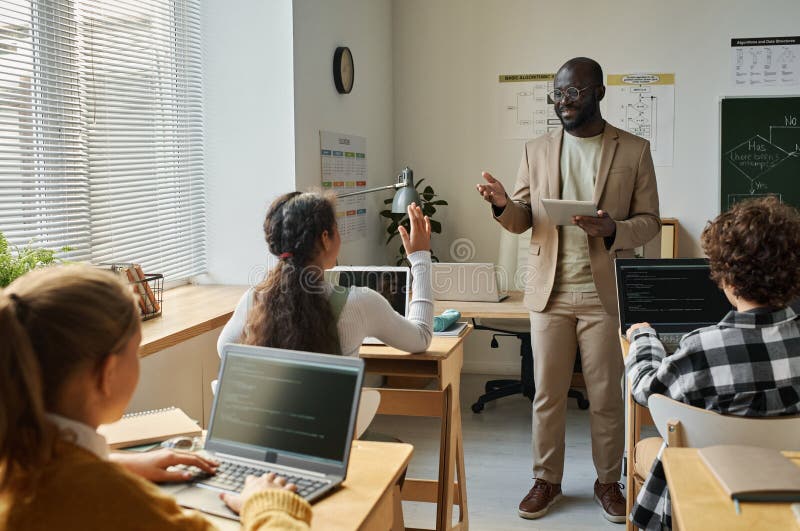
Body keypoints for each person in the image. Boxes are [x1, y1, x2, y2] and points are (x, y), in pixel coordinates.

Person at [476, 57, 660, 523]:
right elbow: (523, 219)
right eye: (556, 94)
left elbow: (650, 223)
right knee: (547, 394)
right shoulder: (535, 149)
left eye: (572, 93)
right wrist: (502, 204)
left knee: (605, 396)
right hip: (549, 292)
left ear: (598, 92)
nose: (562, 102)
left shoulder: (634, 150)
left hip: (603, 295)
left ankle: (607, 483)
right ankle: (546, 480)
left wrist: (611, 227)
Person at [0, 265, 311, 530]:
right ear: (107, 373)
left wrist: (112, 465)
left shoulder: (18, 465)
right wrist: (267, 504)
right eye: (135, 351)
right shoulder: (116, 501)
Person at [625, 196, 800, 530]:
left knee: (646, 448)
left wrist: (644, 338)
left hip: (710, 475)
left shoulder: (702, 349)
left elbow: (646, 390)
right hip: (791, 477)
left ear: (726, 278)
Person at [217, 191, 433, 357]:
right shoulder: (360, 303)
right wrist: (420, 257)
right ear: (325, 238)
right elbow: (420, 338)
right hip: (333, 417)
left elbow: (224, 350)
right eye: (336, 228)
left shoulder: (254, 300)